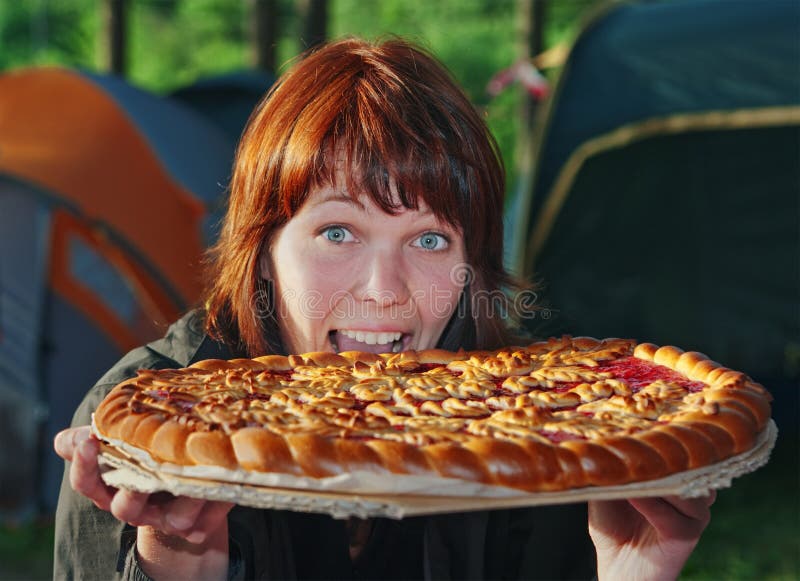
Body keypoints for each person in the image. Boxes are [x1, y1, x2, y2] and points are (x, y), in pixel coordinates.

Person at [53, 37, 714, 580]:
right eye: (338, 232)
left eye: (429, 239)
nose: (384, 289)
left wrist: (630, 574)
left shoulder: (545, 429)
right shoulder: (145, 427)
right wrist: (176, 561)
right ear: (263, 249)